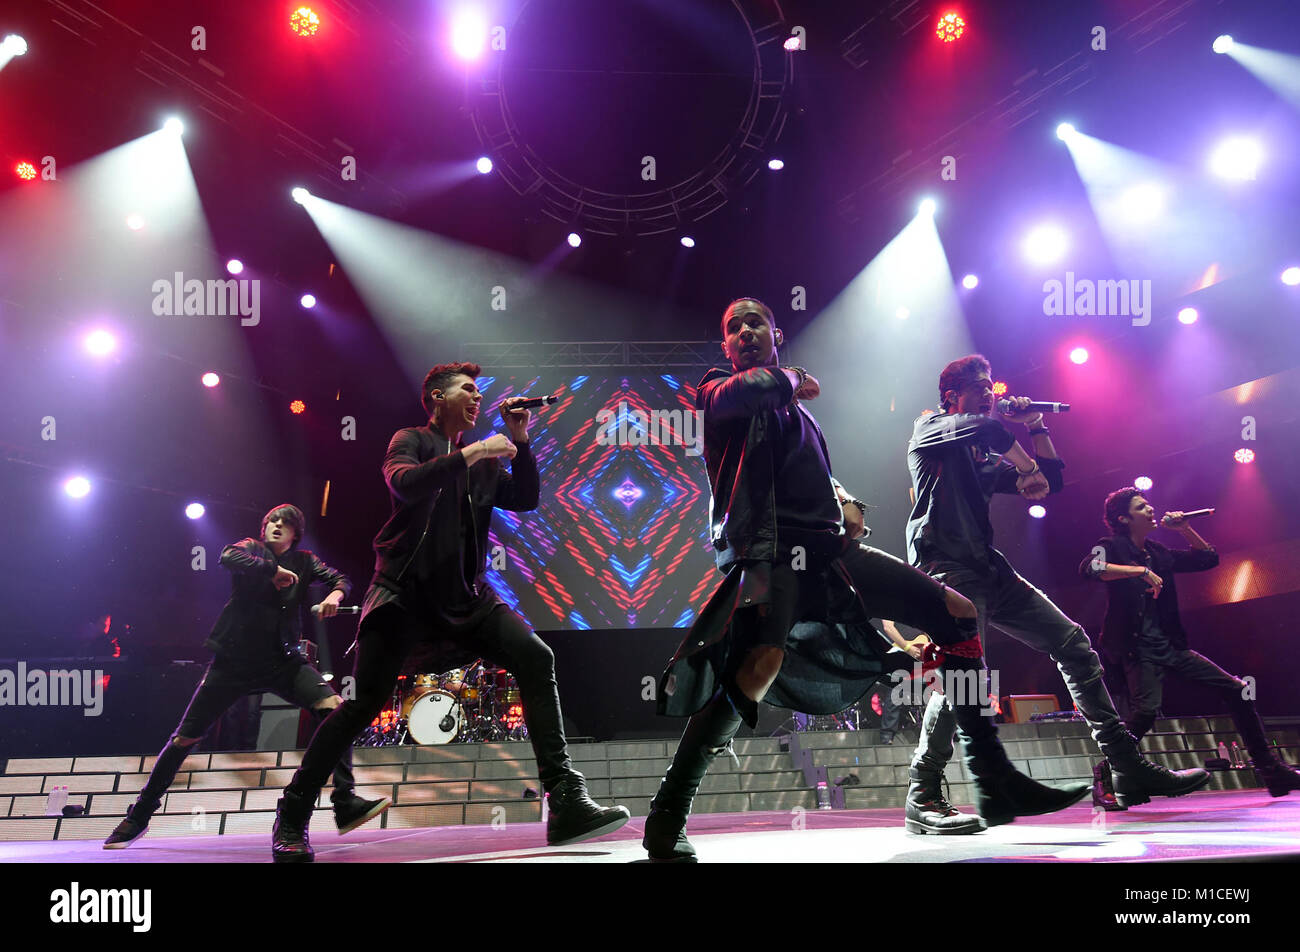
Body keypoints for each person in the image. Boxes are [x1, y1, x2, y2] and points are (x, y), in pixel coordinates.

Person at [644, 300, 1089, 862]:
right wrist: (795, 376)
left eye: (757, 323)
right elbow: (746, 394)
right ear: (727, 347)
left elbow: (807, 472)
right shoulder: (721, 390)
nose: (746, 332)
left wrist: (844, 498)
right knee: (758, 666)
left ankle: (991, 775)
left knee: (954, 612)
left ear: (777, 333)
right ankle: (667, 814)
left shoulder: (799, 415)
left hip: (826, 551)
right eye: (735, 328)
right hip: (767, 550)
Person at [270, 363, 629, 862]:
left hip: (467, 596)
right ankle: (292, 816)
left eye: (479, 392)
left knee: (534, 655)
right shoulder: (411, 439)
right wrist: (479, 448)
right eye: (467, 390)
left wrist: (521, 442)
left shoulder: (481, 464)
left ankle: (565, 800)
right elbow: (405, 484)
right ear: (437, 397)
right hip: (403, 594)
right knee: (362, 705)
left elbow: (525, 498)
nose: (478, 398)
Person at [902, 355, 1209, 824]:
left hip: (988, 569)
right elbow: (992, 435)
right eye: (980, 387)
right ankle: (923, 791)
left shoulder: (982, 460)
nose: (991, 394)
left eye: (992, 387)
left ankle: (1126, 766)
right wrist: (1024, 461)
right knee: (962, 678)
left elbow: (1052, 482)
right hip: (947, 568)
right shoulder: (930, 429)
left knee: (1072, 644)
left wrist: (1038, 425)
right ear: (951, 397)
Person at [104, 505, 388, 849]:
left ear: (296, 534)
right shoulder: (251, 550)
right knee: (184, 739)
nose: (277, 526)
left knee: (334, 708)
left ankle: (344, 801)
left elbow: (341, 579)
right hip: (233, 662)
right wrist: (272, 570)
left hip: (283, 661)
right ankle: (139, 815)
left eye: (286, 524)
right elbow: (227, 556)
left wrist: (334, 595)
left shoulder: (305, 560)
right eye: (273, 521)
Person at [1080, 488, 1300, 806]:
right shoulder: (1111, 546)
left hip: (1171, 646)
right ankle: (1104, 775)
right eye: (1142, 507)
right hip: (1135, 647)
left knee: (1237, 690)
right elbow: (1090, 568)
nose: (1151, 509)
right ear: (1123, 518)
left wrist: (1184, 529)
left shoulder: (1157, 551)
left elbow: (1208, 558)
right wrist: (1140, 572)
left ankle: (1269, 768)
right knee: (1144, 713)